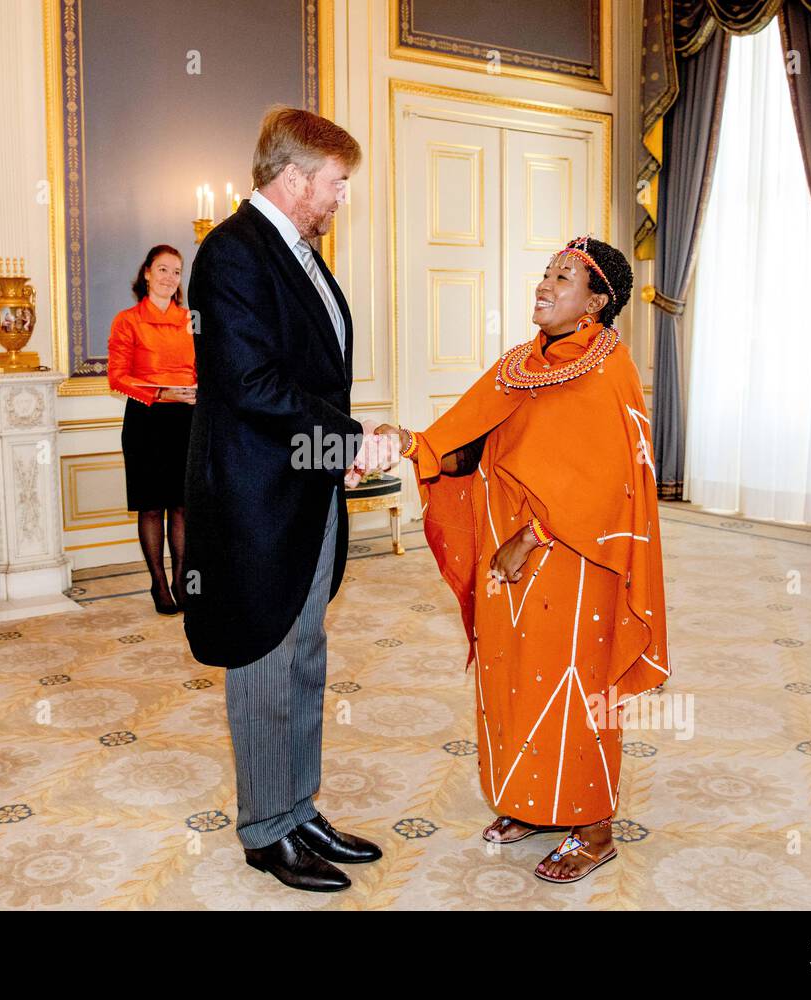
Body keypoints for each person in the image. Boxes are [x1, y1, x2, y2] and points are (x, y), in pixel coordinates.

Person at [365, 236, 671, 884]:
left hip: (573, 562)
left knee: (574, 690)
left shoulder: (608, 369)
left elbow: (607, 483)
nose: (545, 285)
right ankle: (534, 802)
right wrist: (409, 444)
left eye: (564, 278)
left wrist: (527, 541)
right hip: (506, 563)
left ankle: (592, 827)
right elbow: (464, 442)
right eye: (545, 273)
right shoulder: (518, 364)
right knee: (514, 681)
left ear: (597, 302)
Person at [184, 106, 394, 893]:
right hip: (255, 503)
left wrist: (334, 447)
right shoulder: (231, 252)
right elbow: (251, 385)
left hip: (303, 489)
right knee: (265, 660)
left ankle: (297, 806)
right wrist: (348, 439)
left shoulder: (298, 251)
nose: (343, 197)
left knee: (304, 657)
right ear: (298, 176)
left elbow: (307, 377)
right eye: (338, 183)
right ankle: (266, 830)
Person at [108, 244, 197, 614]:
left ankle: (181, 579)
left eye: (176, 271)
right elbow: (117, 377)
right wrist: (161, 391)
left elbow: (206, 366)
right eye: (162, 269)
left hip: (187, 420)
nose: (169, 278)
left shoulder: (192, 319)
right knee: (150, 506)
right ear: (147, 273)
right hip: (147, 419)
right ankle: (158, 583)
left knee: (182, 506)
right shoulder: (127, 320)